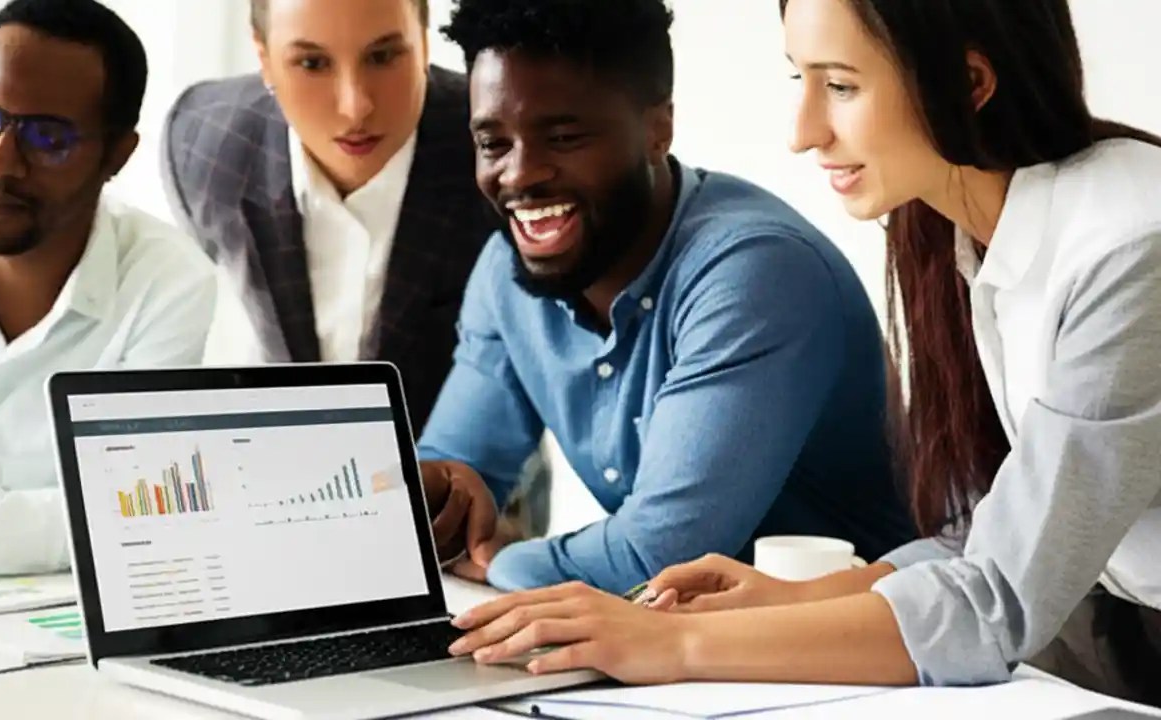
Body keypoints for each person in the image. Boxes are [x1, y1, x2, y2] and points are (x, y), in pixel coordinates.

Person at [445, 0, 1161, 707]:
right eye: (801, 80)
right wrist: (793, 599)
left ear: (969, 83)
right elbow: (991, 532)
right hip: (1108, 633)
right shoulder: (952, 231)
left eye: (841, 86)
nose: (802, 132)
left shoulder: (1129, 245)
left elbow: (996, 598)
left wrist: (670, 645)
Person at [416, 0, 913, 595]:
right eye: (494, 144)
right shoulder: (509, 271)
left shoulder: (755, 270)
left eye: (564, 136)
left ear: (659, 129)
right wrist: (441, 499)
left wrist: (503, 562)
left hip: (860, 654)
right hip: (675, 652)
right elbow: (454, 471)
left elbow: (659, 551)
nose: (519, 175)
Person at [0, 0, 217, 579]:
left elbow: (129, 514)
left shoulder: (165, 283)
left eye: (47, 137)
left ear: (117, 154)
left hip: (55, 633)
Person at [161, 0, 494, 440]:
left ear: (425, 42)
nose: (355, 107)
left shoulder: (501, 147)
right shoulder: (201, 142)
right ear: (263, 59)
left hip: (470, 481)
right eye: (312, 63)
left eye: (382, 57)